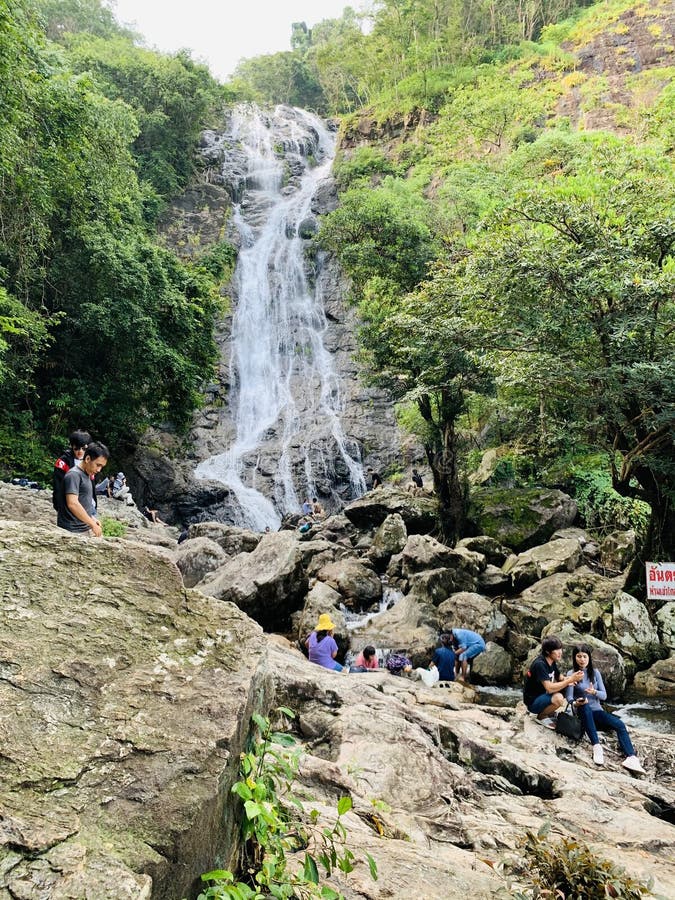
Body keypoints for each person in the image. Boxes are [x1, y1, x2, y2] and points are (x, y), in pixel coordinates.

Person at [565, 643, 646, 773]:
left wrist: (594, 692)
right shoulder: (571, 673)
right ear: (574, 658)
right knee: (585, 705)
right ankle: (596, 747)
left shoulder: (595, 673)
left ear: (589, 658)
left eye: (585, 656)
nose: (582, 659)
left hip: (597, 713)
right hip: (582, 714)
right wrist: (576, 702)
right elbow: (569, 698)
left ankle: (631, 757)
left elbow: (604, 696)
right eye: (579, 656)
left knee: (619, 724)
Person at [523, 635, 584, 726]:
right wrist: (570, 680)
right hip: (533, 702)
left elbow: (561, 678)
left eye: (560, 649)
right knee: (558, 698)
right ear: (548, 651)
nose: (560, 652)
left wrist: (573, 677)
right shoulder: (540, 664)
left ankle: (570, 709)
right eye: (556, 650)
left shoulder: (552, 661)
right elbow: (549, 688)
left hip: (543, 696)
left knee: (570, 685)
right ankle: (542, 716)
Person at [57, 442, 109, 537]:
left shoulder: (87, 474)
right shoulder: (74, 475)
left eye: (102, 466)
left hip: (83, 528)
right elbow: (73, 504)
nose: (99, 470)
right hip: (72, 531)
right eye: (98, 465)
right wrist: (92, 524)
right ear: (88, 459)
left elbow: (83, 501)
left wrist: (92, 518)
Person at [52, 429, 91, 516]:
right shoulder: (63, 462)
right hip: (68, 506)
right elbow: (58, 487)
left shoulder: (90, 462)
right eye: (76, 448)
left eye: (83, 448)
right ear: (71, 446)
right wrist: (59, 507)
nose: (80, 451)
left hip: (86, 507)